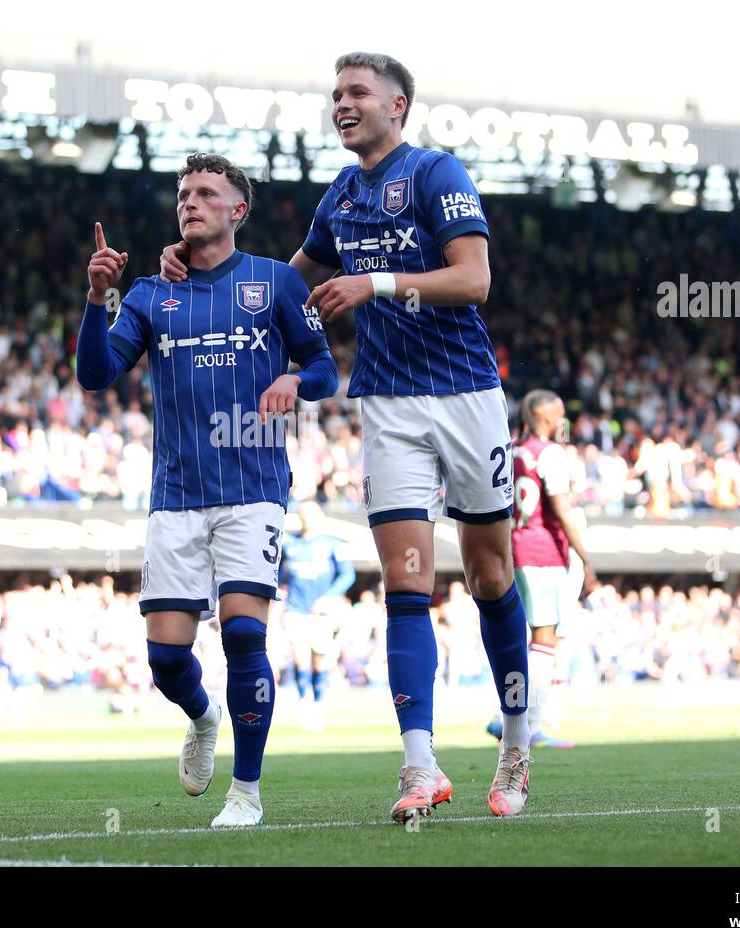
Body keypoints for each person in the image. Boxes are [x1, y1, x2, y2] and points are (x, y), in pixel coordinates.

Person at [162, 52, 531, 821]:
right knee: (406, 580)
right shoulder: (341, 196)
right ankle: (419, 766)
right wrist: (197, 267)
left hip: (467, 397)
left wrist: (377, 284)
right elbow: (279, 291)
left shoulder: (436, 173)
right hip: (389, 405)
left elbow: (474, 280)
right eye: (335, 93)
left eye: (357, 92)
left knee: (491, 576)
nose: (342, 103)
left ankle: (516, 740)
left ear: (397, 105)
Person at [76, 152, 338, 827]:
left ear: (237, 210)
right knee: (166, 659)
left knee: (245, 636)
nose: (189, 202)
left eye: (205, 193)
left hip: (253, 488)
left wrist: (294, 383)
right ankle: (202, 715)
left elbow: (325, 370)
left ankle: (246, 793)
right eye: (184, 193)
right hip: (177, 493)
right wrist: (93, 299)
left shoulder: (276, 283)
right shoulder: (147, 292)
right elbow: (97, 374)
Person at [487, 390, 597, 748]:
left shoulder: (510, 447)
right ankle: (528, 726)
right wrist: (586, 557)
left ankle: (503, 716)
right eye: (560, 413)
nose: (564, 421)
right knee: (544, 641)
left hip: (511, 548)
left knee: (519, 639)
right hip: (542, 553)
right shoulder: (550, 453)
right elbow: (561, 510)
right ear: (545, 416)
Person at [279, 499, 355, 731]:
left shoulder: (333, 545)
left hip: (321, 613)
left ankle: (318, 702)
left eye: (311, 513)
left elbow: (347, 575)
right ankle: (305, 701)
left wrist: (330, 597)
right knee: (300, 654)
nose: (306, 518)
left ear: (320, 516)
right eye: (303, 513)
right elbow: (280, 575)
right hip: (296, 610)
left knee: (319, 658)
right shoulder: (289, 544)